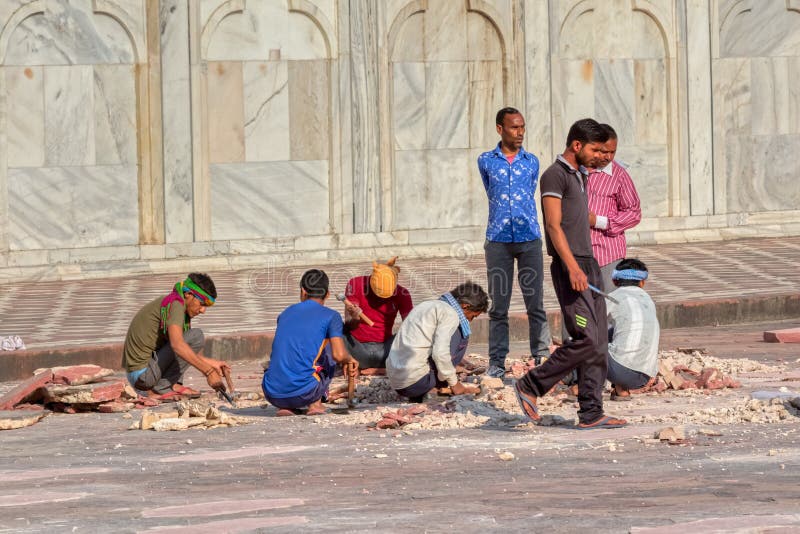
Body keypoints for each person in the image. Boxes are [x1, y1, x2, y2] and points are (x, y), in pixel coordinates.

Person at [514, 118, 627, 430]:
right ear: (577, 145)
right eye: (596, 149)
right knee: (586, 338)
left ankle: (591, 413)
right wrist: (573, 267)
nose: (601, 156)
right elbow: (553, 225)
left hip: (588, 262)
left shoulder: (580, 176)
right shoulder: (555, 176)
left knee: (599, 342)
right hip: (571, 267)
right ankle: (531, 385)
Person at [478, 107, 551, 378]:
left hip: (529, 239)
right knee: (499, 305)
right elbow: (490, 191)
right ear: (500, 129)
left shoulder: (531, 162)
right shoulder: (486, 161)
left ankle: (541, 355)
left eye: (522, 127)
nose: (519, 133)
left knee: (536, 302)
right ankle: (497, 361)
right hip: (498, 241)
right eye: (514, 127)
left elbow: (531, 190)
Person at [262, 269, 359, 416]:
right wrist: (350, 359)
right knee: (327, 353)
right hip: (306, 392)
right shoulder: (331, 316)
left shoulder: (285, 313)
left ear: (303, 291)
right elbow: (339, 355)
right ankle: (315, 404)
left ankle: (286, 406)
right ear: (327, 294)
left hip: (272, 393)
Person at [123, 273, 229, 401]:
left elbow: (184, 350)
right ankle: (163, 387)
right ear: (188, 294)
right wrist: (208, 372)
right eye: (201, 304)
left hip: (144, 375)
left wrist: (212, 364)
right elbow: (177, 345)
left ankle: (171, 385)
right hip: (142, 377)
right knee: (195, 336)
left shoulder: (176, 303)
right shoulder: (176, 305)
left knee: (189, 339)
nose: (202, 310)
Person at [387, 282, 489, 402]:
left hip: (397, 382)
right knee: (462, 333)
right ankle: (438, 383)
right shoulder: (450, 314)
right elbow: (440, 353)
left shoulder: (428, 305)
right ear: (465, 306)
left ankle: (438, 377)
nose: (470, 320)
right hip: (416, 384)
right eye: (472, 316)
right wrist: (455, 384)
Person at [588, 124, 642, 293]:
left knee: (609, 304)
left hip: (608, 254)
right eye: (604, 152)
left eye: (613, 152)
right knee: (582, 310)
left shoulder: (619, 175)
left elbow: (634, 213)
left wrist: (599, 221)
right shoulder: (578, 171)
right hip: (579, 254)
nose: (608, 157)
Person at [342, 257, 413, 372]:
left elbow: (411, 328)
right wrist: (355, 318)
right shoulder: (355, 284)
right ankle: (383, 367)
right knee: (333, 322)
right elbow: (349, 324)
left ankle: (379, 369)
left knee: (412, 330)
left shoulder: (402, 294)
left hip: (387, 352)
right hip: (357, 350)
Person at [606, 258, 659, 400]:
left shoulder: (613, 297)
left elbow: (590, 323)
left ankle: (577, 387)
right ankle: (621, 390)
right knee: (615, 332)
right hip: (644, 377)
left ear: (614, 281)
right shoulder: (648, 299)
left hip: (619, 371)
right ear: (642, 283)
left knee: (587, 341)